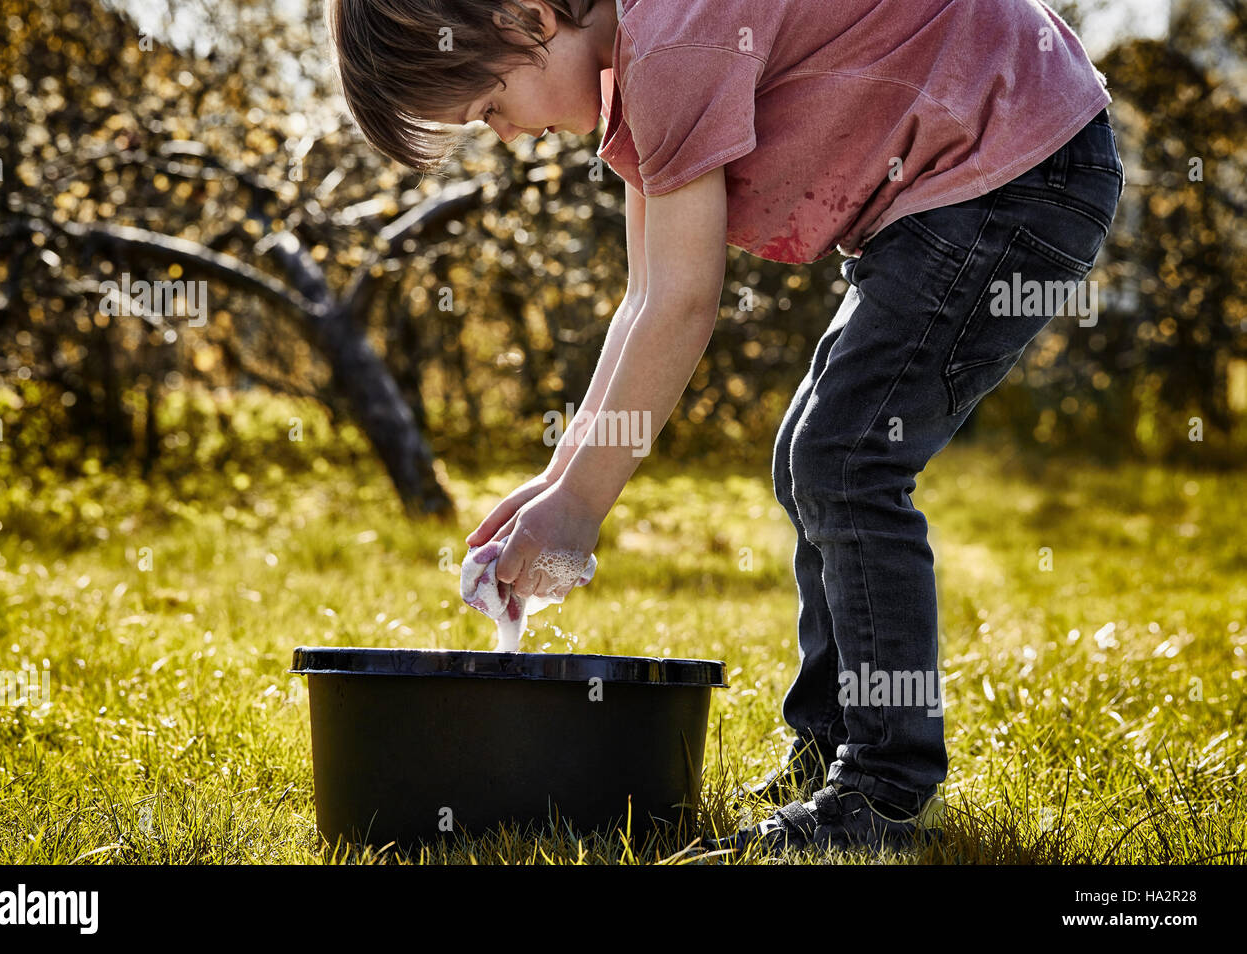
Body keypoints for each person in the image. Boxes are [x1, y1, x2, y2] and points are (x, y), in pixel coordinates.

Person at [327, 0, 1124, 852]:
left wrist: (581, 512)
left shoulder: (673, 45)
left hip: (1016, 166)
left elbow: (683, 303)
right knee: (812, 459)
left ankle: (886, 791)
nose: (510, 136)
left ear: (526, 17)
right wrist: (560, 483)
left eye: (489, 107)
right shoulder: (641, 55)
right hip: (969, 178)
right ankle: (831, 751)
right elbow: (641, 302)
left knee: (846, 460)